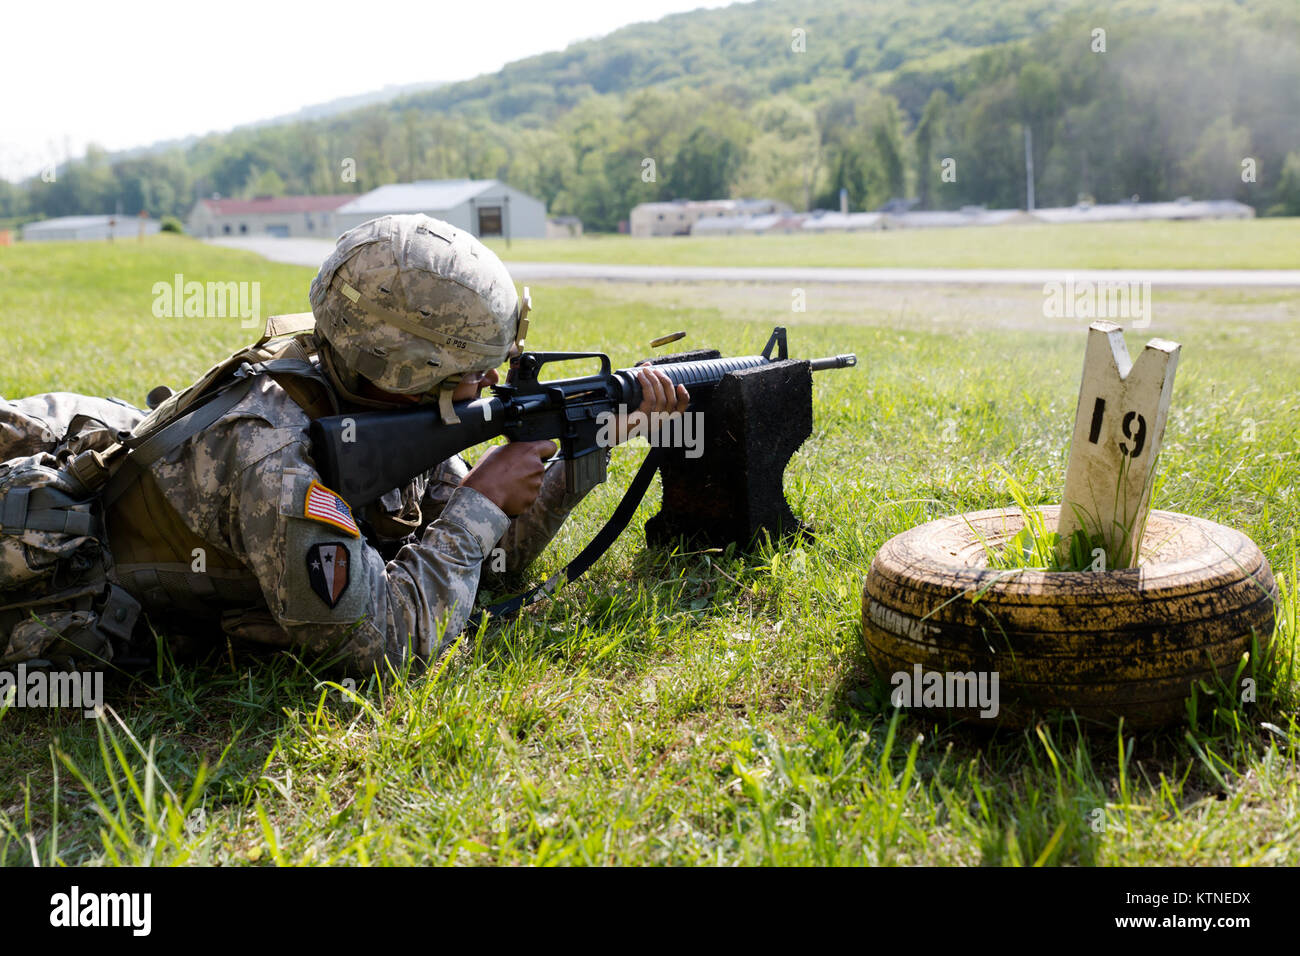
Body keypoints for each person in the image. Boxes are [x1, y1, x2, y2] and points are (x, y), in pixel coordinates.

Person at [0, 214, 689, 673]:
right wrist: (481, 500)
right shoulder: (276, 458)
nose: (494, 378)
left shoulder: (377, 399)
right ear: (407, 369)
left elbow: (485, 568)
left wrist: (582, 448)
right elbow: (382, 644)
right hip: (70, 560)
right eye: (475, 367)